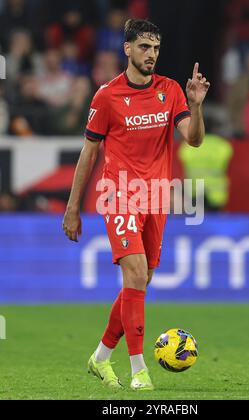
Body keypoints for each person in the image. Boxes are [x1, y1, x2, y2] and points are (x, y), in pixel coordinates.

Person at [63, 19, 210, 391]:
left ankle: (99, 358)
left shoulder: (171, 90)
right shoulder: (107, 96)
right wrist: (72, 207)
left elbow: (192, 140)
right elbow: (89, 152)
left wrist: (196, 106)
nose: (151, 55)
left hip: (156, 197)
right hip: (120, 194)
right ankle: (139, 370)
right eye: (144, 47)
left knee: (141, 281)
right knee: (135, 275)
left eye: (156, 48)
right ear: (127, 49)